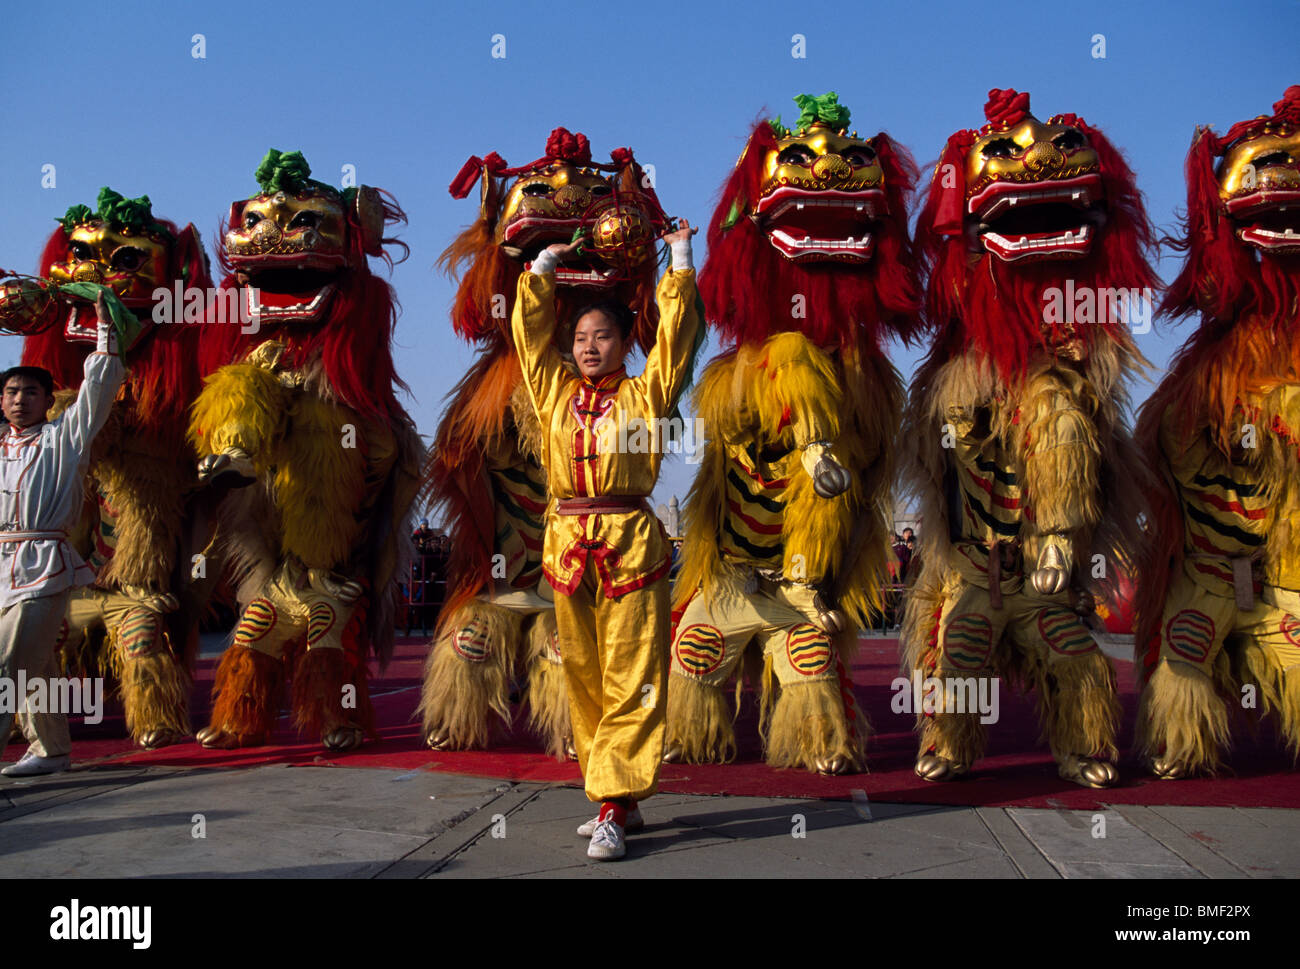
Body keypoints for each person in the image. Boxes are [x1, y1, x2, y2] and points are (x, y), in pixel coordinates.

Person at [513, 218, 701, 860]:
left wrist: (679, 257)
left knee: (633, 673)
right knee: (585, 677)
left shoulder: (647, 393)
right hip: (567, 543)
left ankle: (613, 804)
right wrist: (542, 268)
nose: (589, 347)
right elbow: (530, 343)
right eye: (582, 337)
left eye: (603, 336)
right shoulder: (554, 394)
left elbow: (678, 342)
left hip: (629, 544)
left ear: (625, 343)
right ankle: (614, 796)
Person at [1, 293, 123, 776]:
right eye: (11, 392)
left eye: (30, 392)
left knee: (8, 664)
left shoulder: (64, 438)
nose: (19, 400)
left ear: (49, 401)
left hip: (42, 565)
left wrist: (104, 325)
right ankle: (52, 750)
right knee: (37, 666)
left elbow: (100, 386)